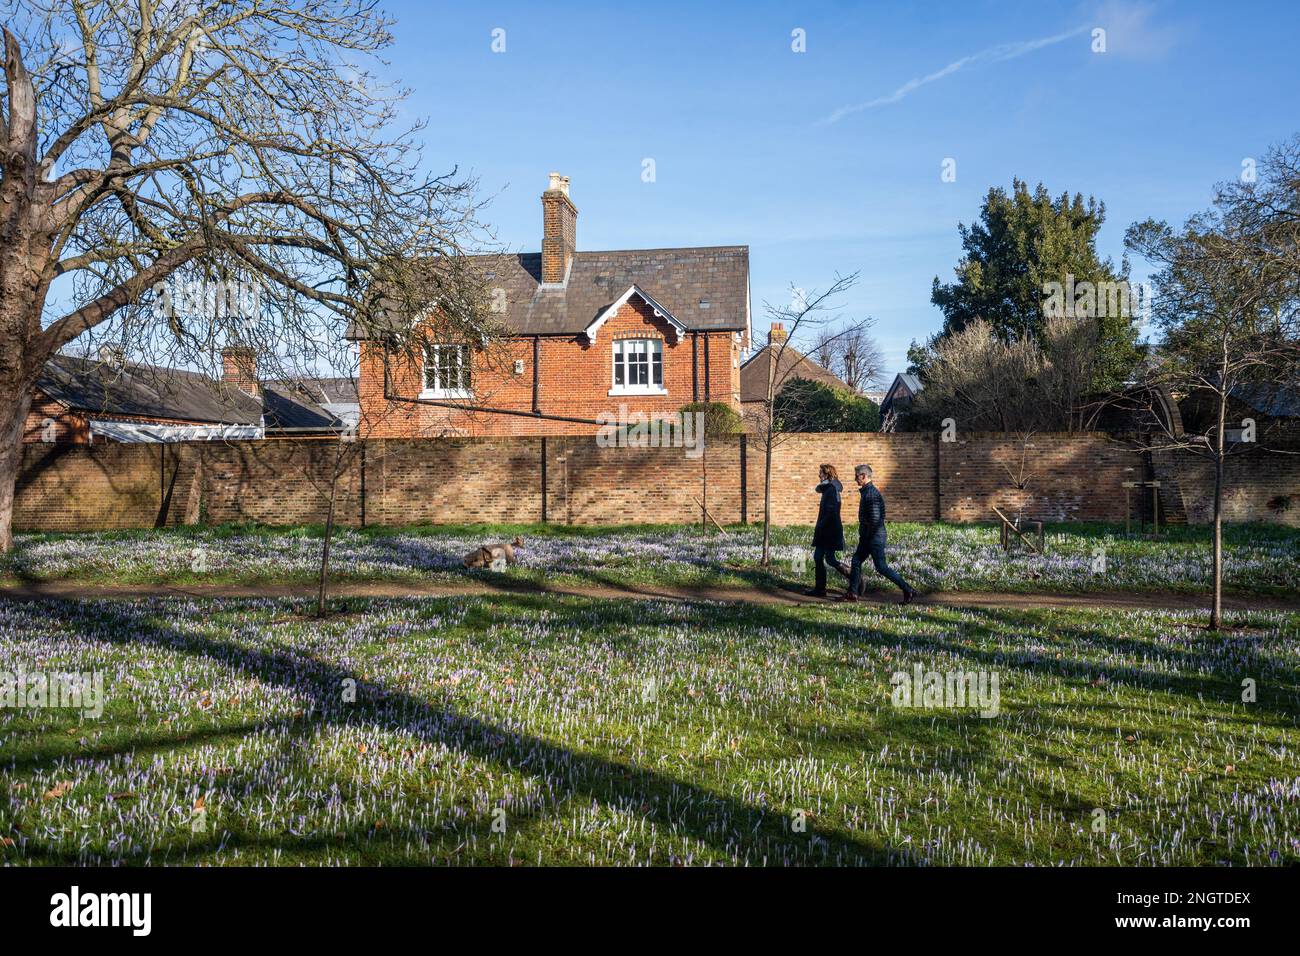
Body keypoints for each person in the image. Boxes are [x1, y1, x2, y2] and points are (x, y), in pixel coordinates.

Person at [840, 463, 915, 605]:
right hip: (869, 536)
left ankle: (908, 589)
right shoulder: (867, 492)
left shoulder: (871, 494)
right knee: (856, 561)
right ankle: (852, 593)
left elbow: (875, 520)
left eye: (856, 476)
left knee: (881, 567)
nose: (855, 478)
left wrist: (867, 536)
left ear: (863, 476)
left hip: (874, 537)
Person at [808, 464, 846, 597]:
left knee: (829, 559)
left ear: (827, 475)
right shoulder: (828, 489)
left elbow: (831, 512)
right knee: (819, 557)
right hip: (825, 530)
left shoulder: (831, 490)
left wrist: (820, 525)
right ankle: (820, 589)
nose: (819, 476)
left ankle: (857, 578)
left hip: (829, 531)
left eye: (821, 474)